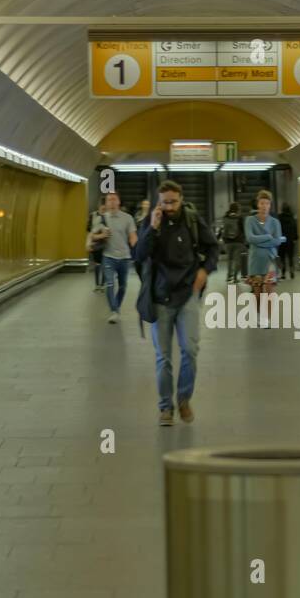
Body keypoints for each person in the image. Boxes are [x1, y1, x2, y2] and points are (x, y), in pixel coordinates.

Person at [134, 180, 219, 426]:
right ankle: (165, 407)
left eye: (173, 201)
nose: (169, 206)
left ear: (181, 199)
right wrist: (152, 228)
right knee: (163, 357)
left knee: (190, 350)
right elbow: (138, 255)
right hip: (160, 298)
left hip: (187, 295)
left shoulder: (192, 220)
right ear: (158, 202)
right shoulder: (152, 221)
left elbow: (213, 247)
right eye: (164, 202)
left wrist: (205, 270)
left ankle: (183, 399)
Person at [96, 193, 137, 323]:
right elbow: (92, 236)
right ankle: (114, 311)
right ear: (106, 203)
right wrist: (101, 236)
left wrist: (138, 248)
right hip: (108, 256)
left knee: (123, 286)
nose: (112, 202)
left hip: (124, 257)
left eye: (114, 199)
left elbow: (133, 236)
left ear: (119, 201)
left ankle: (116, 307)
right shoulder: (102, 219)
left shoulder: (128, 218)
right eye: (109, 200)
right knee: (109, 284)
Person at [244, 190, 285, 324]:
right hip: (255, 261)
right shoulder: (250, 220)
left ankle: (266, 317)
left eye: (267, 203)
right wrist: (268, 237)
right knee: (257, 292)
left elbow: (278, 241)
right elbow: (250, 238)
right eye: (262, 203)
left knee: (269, 290)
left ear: (270, 205)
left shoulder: (275, 222)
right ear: (258, 204)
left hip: (270, 260)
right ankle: (257, 314)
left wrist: (260, 241)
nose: (264, 206)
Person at [219, 201, 247, 283]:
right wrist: (244, 240)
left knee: (230, 259)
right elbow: (243, 230)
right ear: (238, 209)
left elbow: (222, 229)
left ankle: (229, 276)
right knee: (237, 260)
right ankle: (235, 277)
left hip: (227, 242)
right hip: (238, 242)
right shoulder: (240, 217)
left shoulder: (225, 217)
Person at [86, 204, 108, 292]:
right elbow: (89, 231)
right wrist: (88, 243)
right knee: (97, 264)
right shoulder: (93, 216)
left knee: (104, 264)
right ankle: (97, 285)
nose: (103, 209)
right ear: (99, 207)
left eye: (104, 208)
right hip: (96, 244)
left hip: (106, 243)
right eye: (102, 207)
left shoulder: (109, 216)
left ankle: (102, 284)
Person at [277, 202, 299, 279]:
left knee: (282, 257)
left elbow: (277, 229)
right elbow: (295, 228)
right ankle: (291, 271)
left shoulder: (279, 217)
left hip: (282, 240)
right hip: (290, 240)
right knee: (290, 257)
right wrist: (295, 238)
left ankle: (283, 273)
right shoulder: (292, 217)